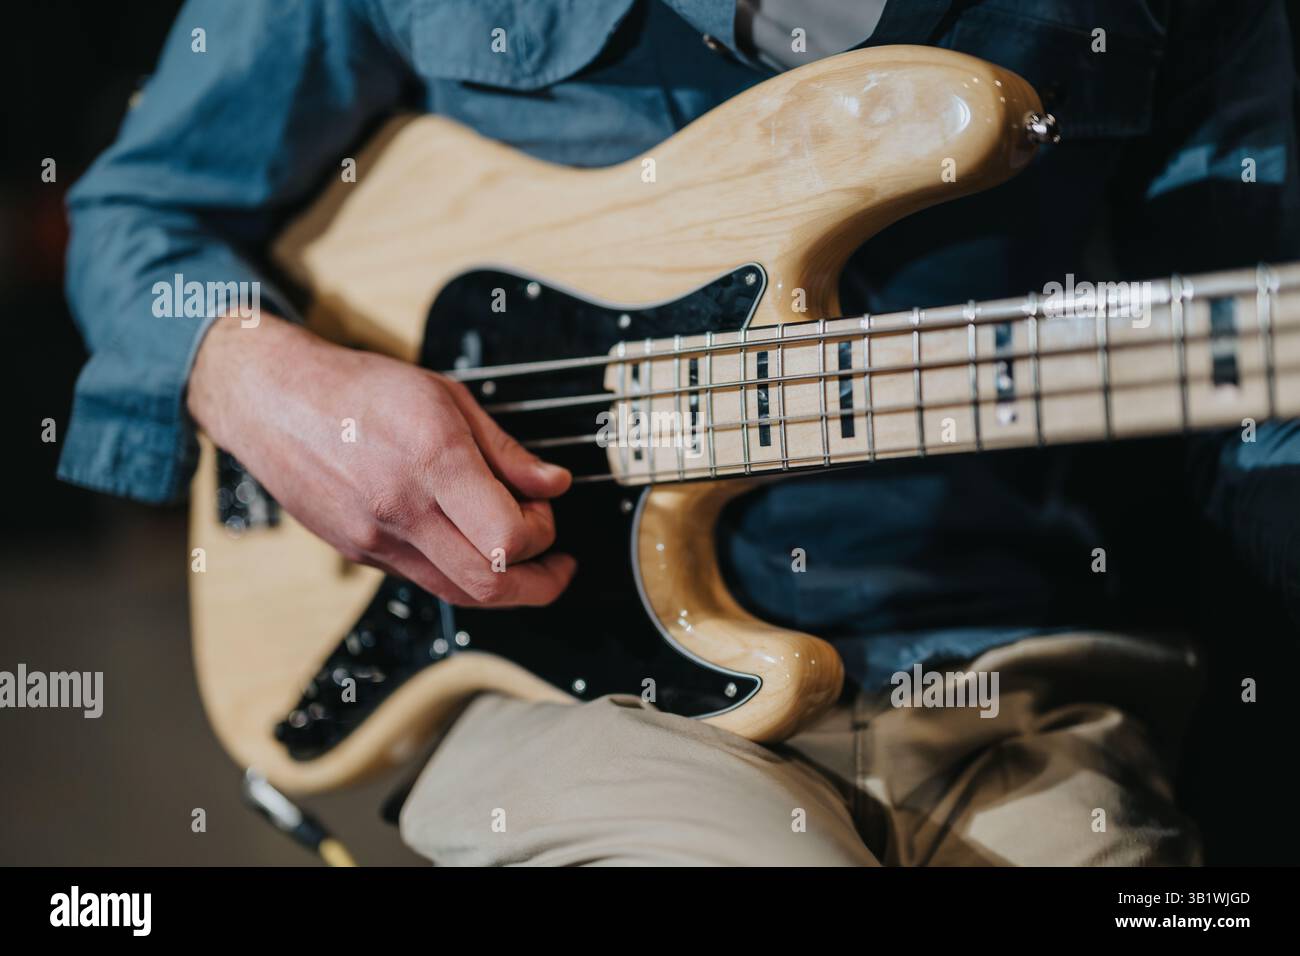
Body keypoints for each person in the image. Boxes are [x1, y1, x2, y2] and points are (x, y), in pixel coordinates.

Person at [59, 0, 1298, 865]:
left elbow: (1256, 404)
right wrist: (259, 375)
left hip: (1006, 683)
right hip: (565, 687)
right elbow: (140, 212)